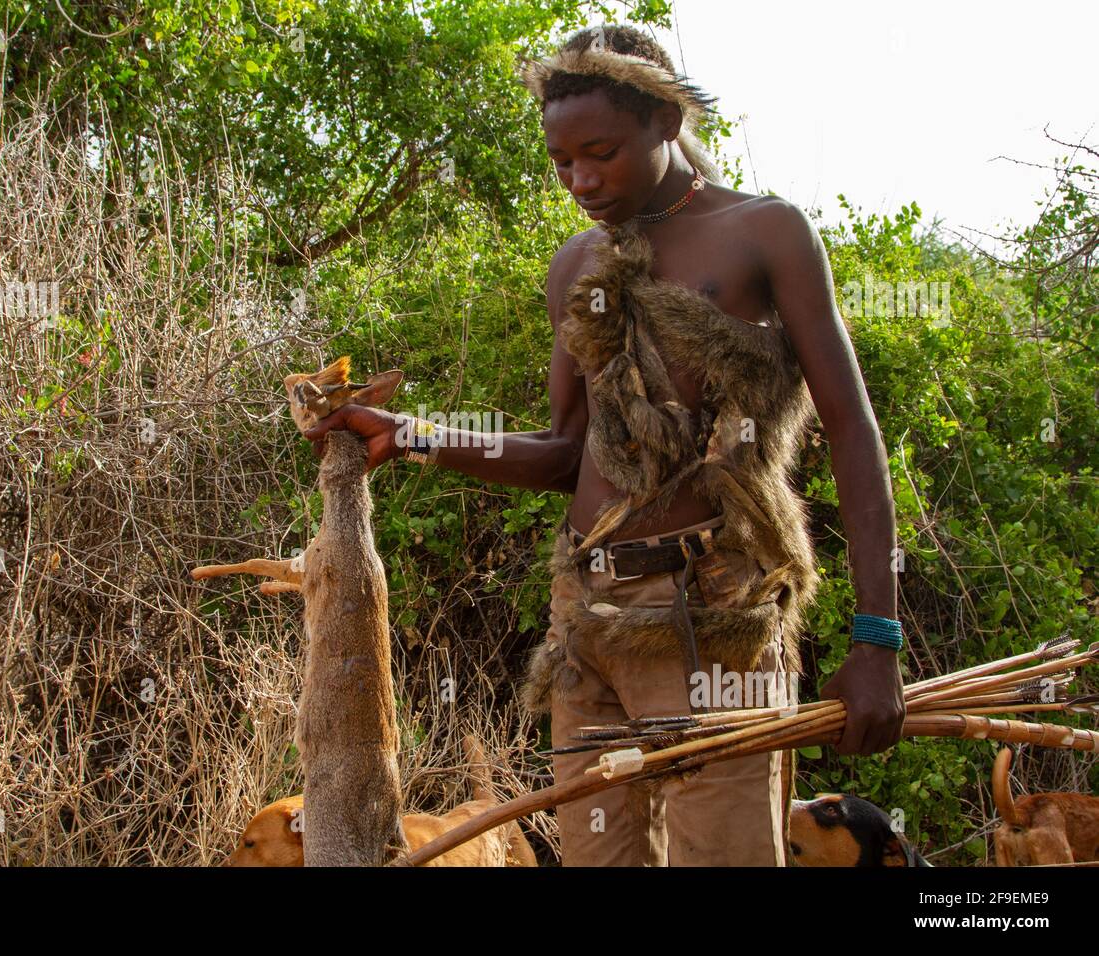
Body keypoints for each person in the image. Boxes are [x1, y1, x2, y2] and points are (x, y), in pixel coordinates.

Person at [303, 23, 905, 866]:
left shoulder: (765, 234)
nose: (581, 181)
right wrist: (412, 435)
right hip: (586, 625)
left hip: (716, 621)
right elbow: (562, 451)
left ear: (665, 121)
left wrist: (877, 639)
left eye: (601, 152)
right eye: (561, 163)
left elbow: (853, 431)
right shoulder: (576, 265)